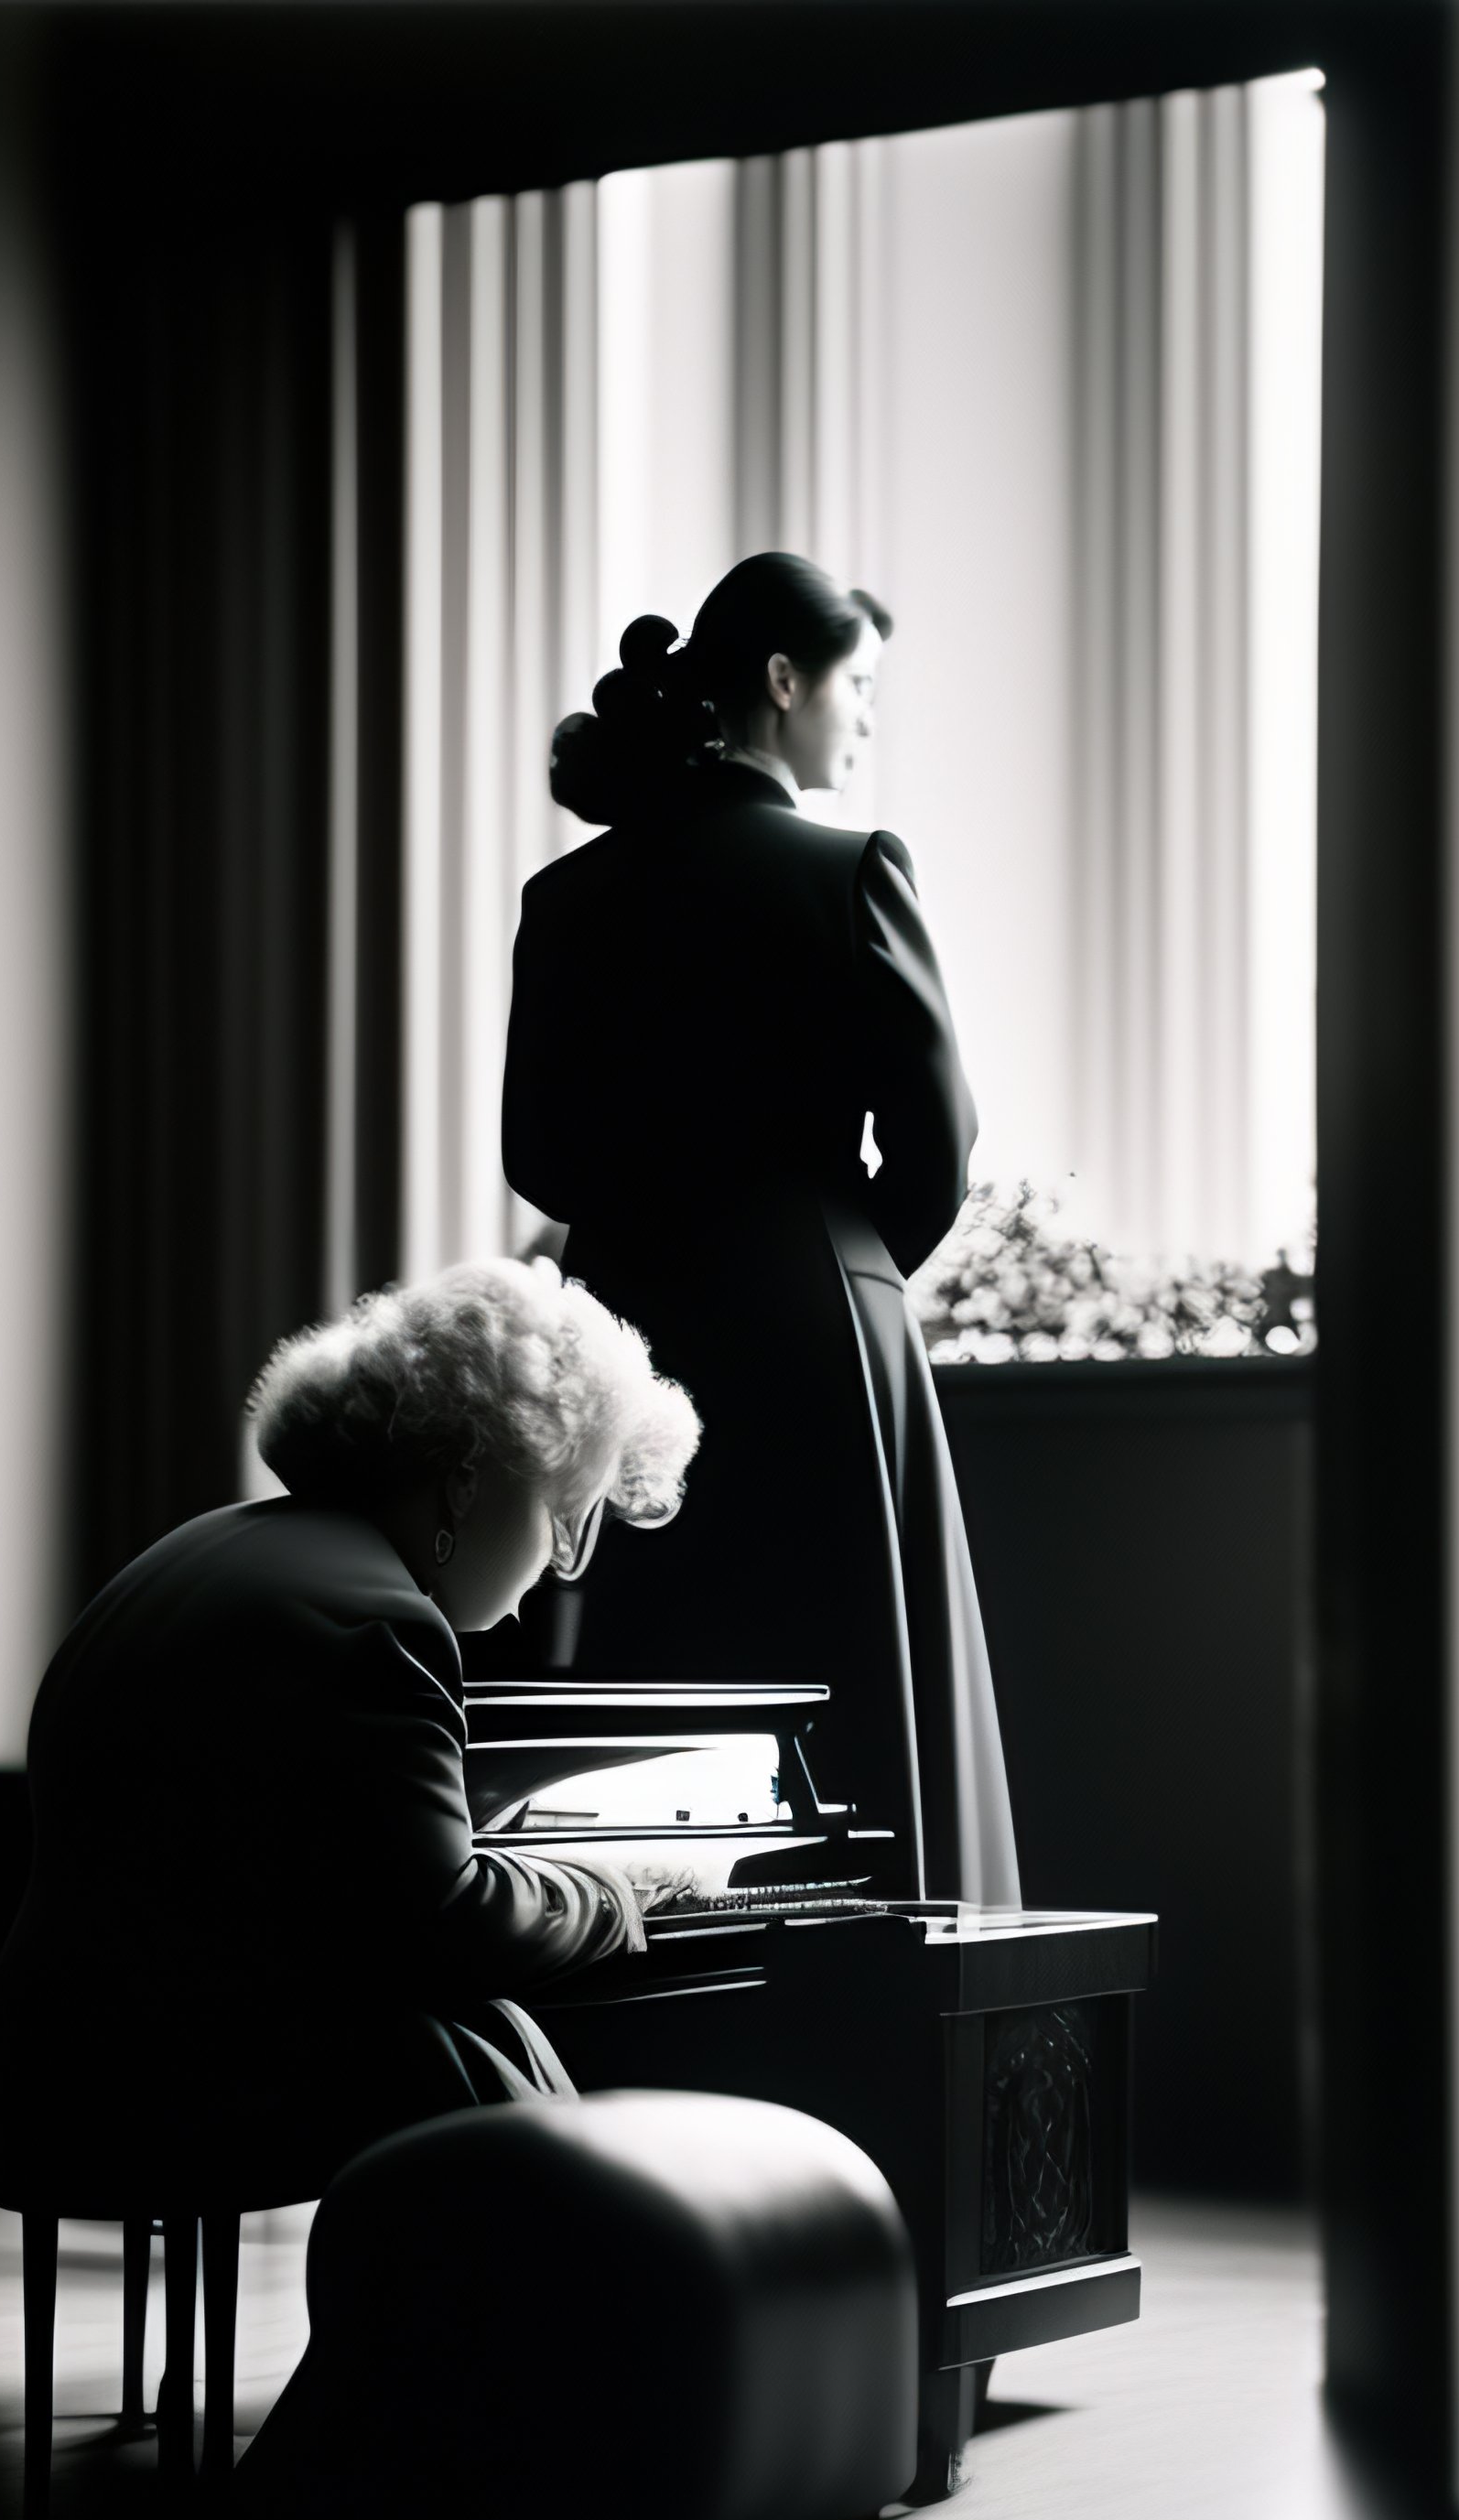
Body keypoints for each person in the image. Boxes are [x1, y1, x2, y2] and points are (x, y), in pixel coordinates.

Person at [0, 1260, 703, 2220]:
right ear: (464, 1485)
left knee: (474, 2041)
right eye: (561, 1514)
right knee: (481, 2066)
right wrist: (624, 1886)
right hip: (168, 2084)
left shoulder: (211, 1550)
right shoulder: (381, 1617)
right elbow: (449, 1923)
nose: (554, 1568)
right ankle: (500, 2348)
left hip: (55, 2054)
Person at [502, 551, 1020, 1906]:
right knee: (851, 1675)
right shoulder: (849, 869)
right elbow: (937, 1149)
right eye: (858, 685)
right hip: (817, 1333)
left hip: (628, 1329)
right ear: (784, 682)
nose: (865, 718)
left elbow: (537, 1157)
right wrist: (837, 1270)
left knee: (655, 1667)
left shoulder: (569, 901)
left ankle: (665, 1974)